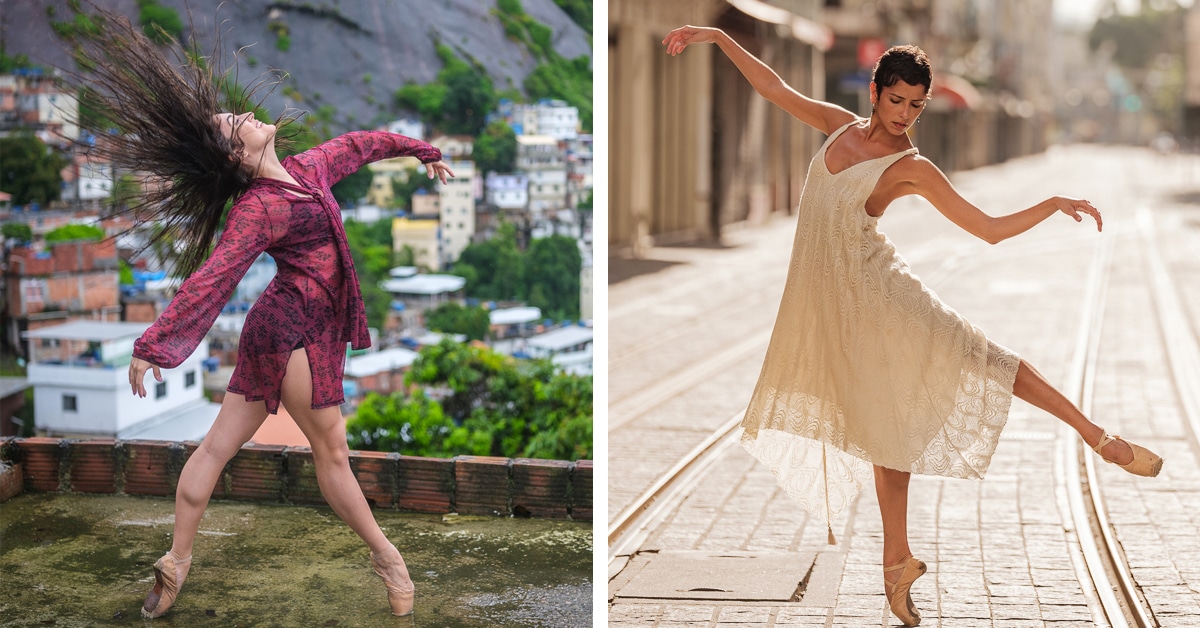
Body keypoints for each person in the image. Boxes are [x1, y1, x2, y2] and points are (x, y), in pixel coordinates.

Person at [662, 26, 1163, 626]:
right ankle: (896, 564)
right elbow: (775, 89)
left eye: (916, 106)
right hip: (844, 314)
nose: (904, 115)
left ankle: (1097, 437)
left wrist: (1051, 203)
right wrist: (716, 36)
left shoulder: (911, 167)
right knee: (885, 436)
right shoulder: (838, 127)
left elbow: (989, 229)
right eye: (896, 100)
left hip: (888, 301)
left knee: (987, 358)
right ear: (875, 92)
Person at [62, 9, 451, 619]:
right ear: (238, 156)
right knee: (332, 454)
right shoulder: (260, 209)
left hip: (298, 327)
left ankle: (176, 563)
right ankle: (389, 560)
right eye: (233, 123)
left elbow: (361, 144)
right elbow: (214, 278)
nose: (243, 114)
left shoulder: (306, 170)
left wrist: (420, 151)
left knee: (218, 446)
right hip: (288, 331)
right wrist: (155, 344)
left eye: (238, 113)